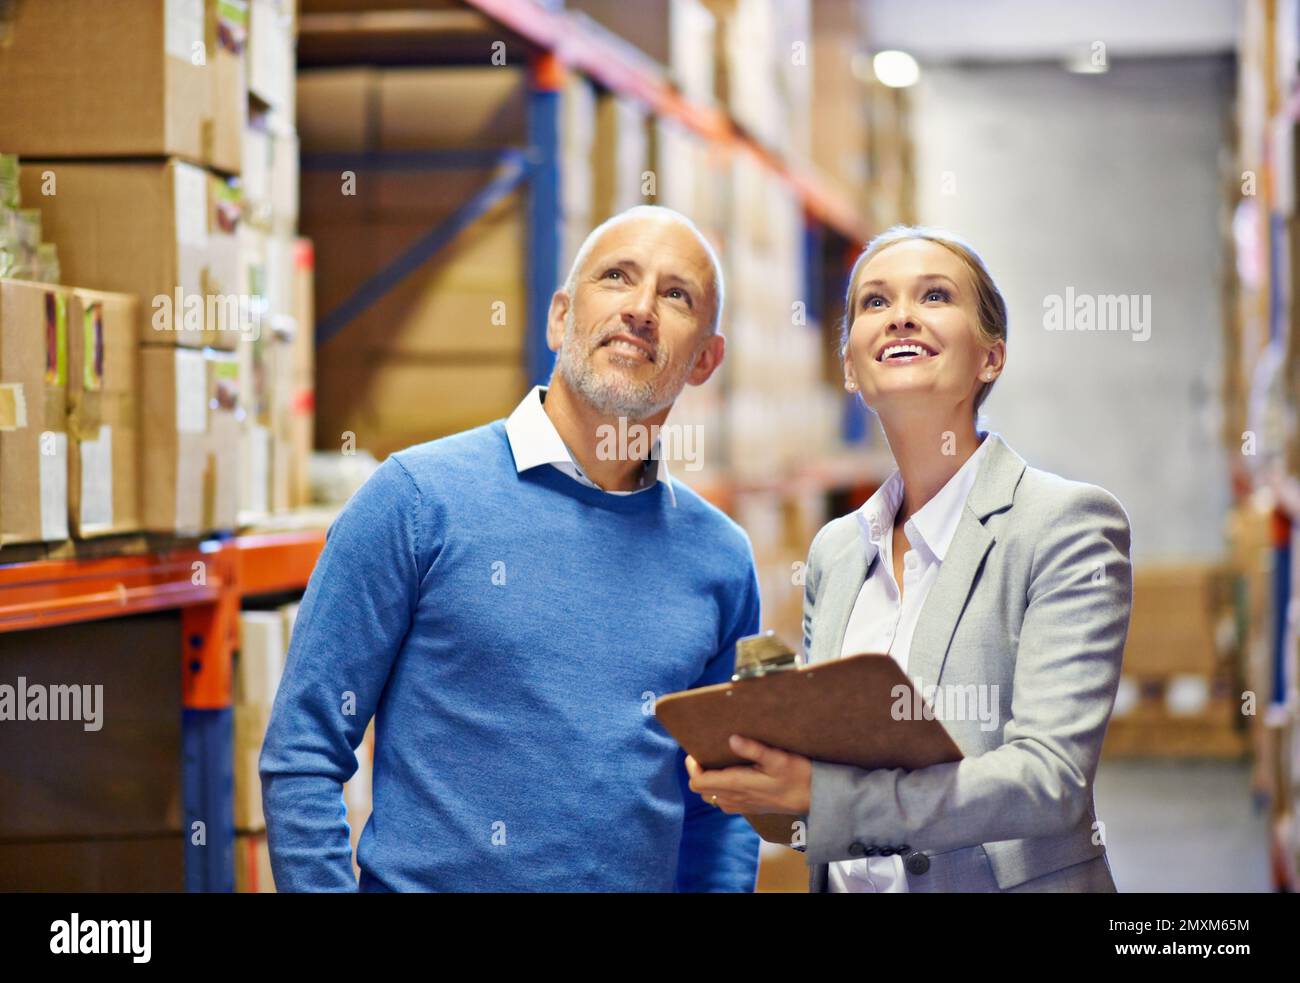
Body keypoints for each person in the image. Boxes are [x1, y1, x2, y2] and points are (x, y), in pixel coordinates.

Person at [261, 205, 762, 891]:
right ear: (560, 318)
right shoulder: (413, 500)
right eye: (616, 277)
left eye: (677, 295)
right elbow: (303, 750)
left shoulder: (721, 560)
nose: (641, 308)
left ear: (706, 358)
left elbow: (722, 802)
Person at [686, 225, 1133, 893]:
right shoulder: (837, 552)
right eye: (873, 302)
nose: (900, 314)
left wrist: (825, 797)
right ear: (850, 368)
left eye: (934, 295)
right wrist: (753, 776)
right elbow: (818, 804)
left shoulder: (1062, 525)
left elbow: (1049, 779)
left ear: (992, 357)